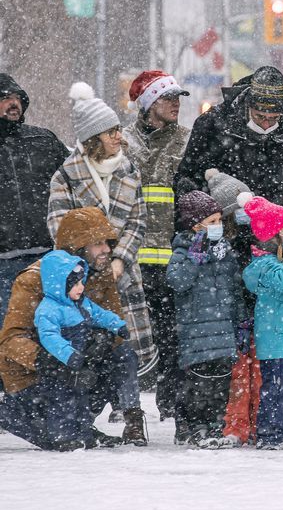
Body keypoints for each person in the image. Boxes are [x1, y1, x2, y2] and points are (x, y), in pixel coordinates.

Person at [174, 66, 283, 435]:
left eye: (274, 114)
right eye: (260, 113)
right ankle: (217, 413)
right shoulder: (214, 125)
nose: (267, 119)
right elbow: (187, 178)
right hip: (230, 237)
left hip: (277, 239)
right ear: (248, 105)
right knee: (226, 329)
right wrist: (214, 213)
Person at [0, 207, 147, 447]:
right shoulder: (33, 279)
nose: (107, 250)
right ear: (76, 247)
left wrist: (102, 340)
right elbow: (10, 340)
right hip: (35, 375)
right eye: (98, 243)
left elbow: (113, 321)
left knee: (123, 355)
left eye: (107, 242)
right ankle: (12, 413)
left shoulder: (100, 273)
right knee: (59, 440)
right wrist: (47, 359)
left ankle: (91, 421)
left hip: (76, 360)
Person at [48, 82, 157, 380]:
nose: (119, 137)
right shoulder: (67, 176)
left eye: (118, 129)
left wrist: (120, 258)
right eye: (111, 132)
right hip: (84, 278)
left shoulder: (128, 170)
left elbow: (138, 220)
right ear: (93, 138)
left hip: (123, 273)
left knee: (128, 346)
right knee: (92, 348)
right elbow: (60, 227)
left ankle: (131, 411)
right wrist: (92, 258)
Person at [122, 70, 191, 421]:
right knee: (128, 335)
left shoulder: (186, 141)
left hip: (172, 256)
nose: (176, 105)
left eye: (178, 98)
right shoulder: (122, 143)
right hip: (131, 258)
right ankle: (126, 405)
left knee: (172, 335)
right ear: (149, 103)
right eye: (168, 98)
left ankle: (172, 402)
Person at [167, 191, 245, 448]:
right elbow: (177, 282)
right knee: (198, 383)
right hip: (196, 331)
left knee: (221, 383)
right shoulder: (182, 250)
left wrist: (240, 320)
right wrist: (193, 257)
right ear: (195, 225)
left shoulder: (225, 251)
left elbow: (234, 288)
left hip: (222, 329)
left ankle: (214, 425)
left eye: (219, 221)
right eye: (211, 222)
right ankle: (193, 425)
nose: (218, 227)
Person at [32, 250, 129, 450]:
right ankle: (62, 436)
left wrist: (117, 325)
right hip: (59, 366)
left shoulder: (81, 303)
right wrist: (68, 355)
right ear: (60, 285)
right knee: (62, 401)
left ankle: (84, 433)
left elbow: (99, 315)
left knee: (81, 400)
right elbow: (49, 337)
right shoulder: (48, 309)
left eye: (81, 282)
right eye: (75, 284)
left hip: (80, 363)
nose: (81, 287)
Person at [241, 194, 283, 451]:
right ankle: (272, 433)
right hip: (279, 340)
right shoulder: (265, 264)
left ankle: (281, 429)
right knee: (278, 389)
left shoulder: (280, 262)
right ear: (273, 236)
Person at [0, 73, 68, 322]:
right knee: (9, 333)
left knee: (49, 328)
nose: (13, 103)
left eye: (17, 97)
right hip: (3, 263)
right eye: (5, 98)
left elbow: (74, 181)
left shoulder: (42, 140)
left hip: (46, 256)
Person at [205, 169, 261, 446]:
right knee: (239, 378)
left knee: (257, 377)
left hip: (255, 318)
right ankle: (236, 426)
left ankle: (256, 423)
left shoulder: (255, 238)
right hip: (234, 321)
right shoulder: (220, 246)